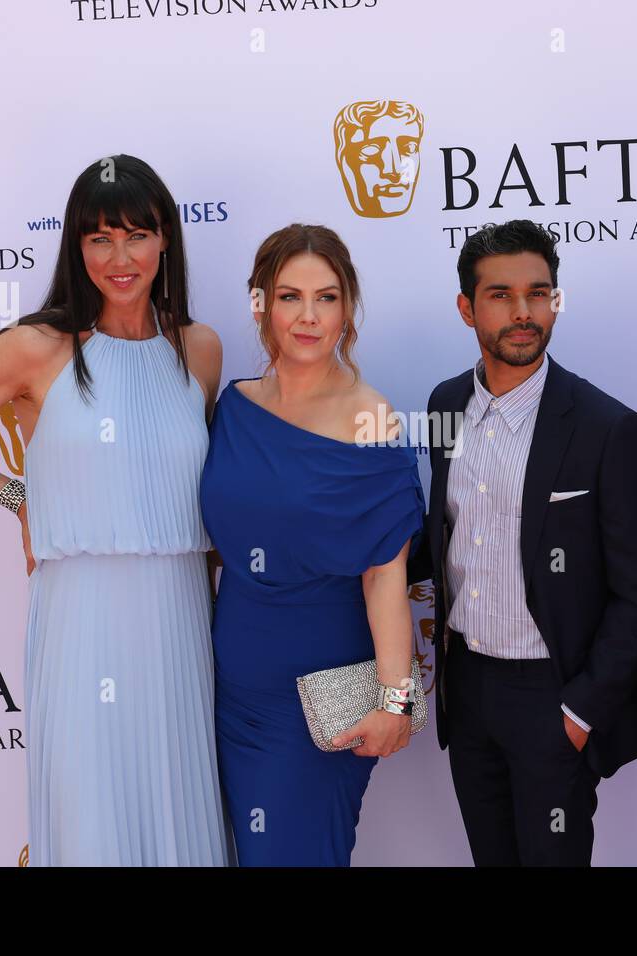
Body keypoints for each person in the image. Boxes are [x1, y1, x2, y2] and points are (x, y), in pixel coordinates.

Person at [0, 154, 228, 866]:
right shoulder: (34, 349)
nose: (120, 257)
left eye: (137, 234)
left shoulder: (198, 350)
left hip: (178, 613)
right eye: (99, 238)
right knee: (91, 815)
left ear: (165, 238)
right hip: (80, 618)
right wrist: (18, 496)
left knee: (179, 805)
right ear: (76, 248)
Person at [406, 219, 637, 866]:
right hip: (468, 694)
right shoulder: (444, 406)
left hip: (554, 696)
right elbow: (444, 537)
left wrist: (579, 711)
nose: (523, 313)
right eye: (500, 295)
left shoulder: (609, 430)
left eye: (538, 293)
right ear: (467, 307)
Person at [201, 223, 424, 866]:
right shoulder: (235, 407)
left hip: (317, 698)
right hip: (225, 686)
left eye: (326, 297)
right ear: (261, 304)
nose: (307, 316)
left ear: (347, 308)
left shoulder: (369, 418)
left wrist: (396, 702)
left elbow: (386, 577)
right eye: (289, 296)